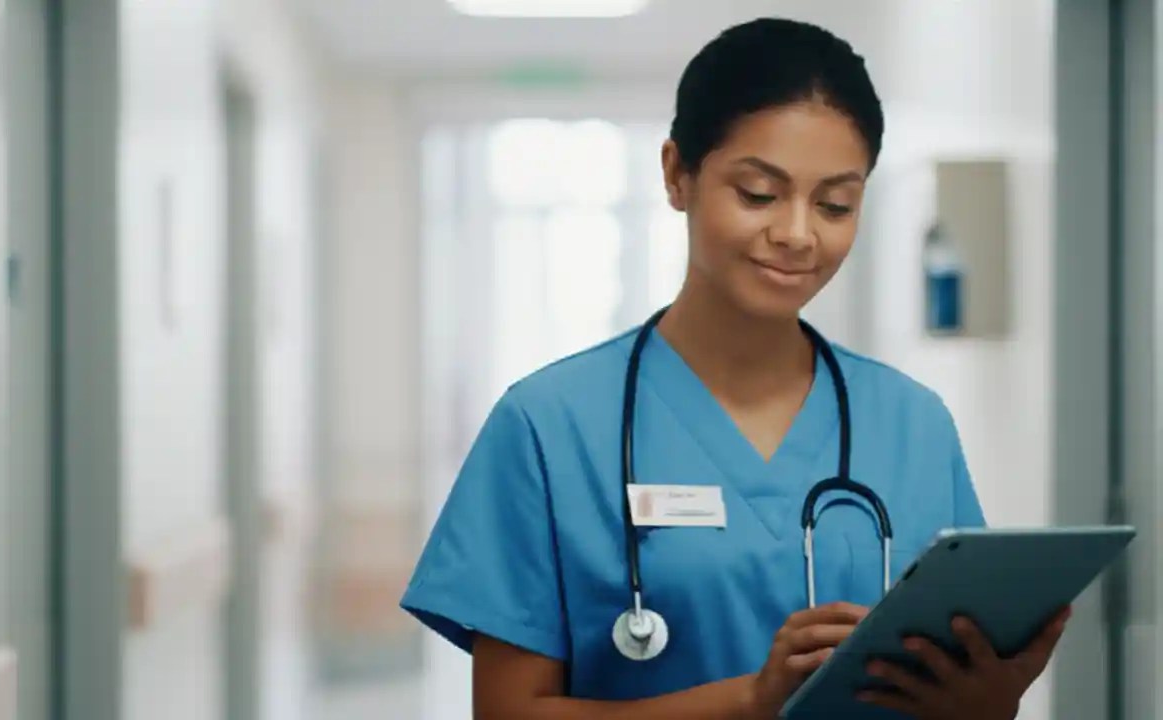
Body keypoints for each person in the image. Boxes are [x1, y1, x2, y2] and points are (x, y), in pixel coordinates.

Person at [401, 17, 1068, 719]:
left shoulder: (913, 423)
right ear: (675, 174)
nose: (798, 234)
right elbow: (508, 712)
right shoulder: (548, 425)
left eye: (836, 204)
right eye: (758, 194)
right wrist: (749, 702)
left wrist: (988, 702)